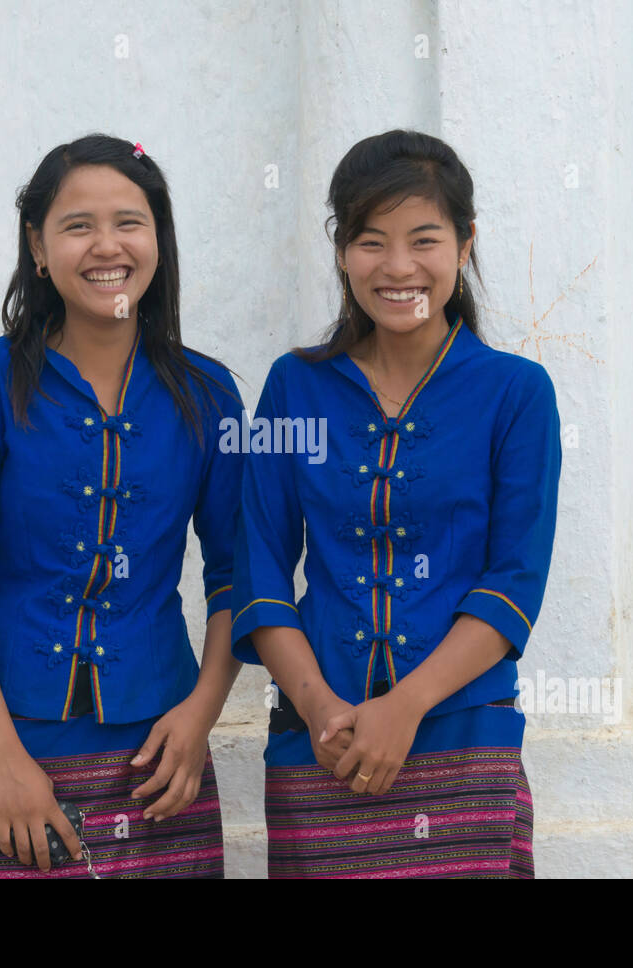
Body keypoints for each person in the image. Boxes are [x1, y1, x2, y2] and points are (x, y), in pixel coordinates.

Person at [232, 129, 562, 878]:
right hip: (322, 743)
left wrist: (406, 705)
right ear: (342, 249)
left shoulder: (515, 395)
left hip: (461, 735)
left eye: (424, 239)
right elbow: (257, 571)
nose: (399, 267)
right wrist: (318, 709)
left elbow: (513, 584)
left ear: (465, 243)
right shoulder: (295, 387)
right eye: (371, 241)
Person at [0, 134, 243, 878]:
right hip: (0, 746)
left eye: (129, 221)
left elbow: (236, 577)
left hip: (160, 758)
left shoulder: (209, 396)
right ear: (37, 246)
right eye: (77, 225)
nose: (106, 246)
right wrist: (1, 756)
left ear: (159, 238)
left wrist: (200, 717)